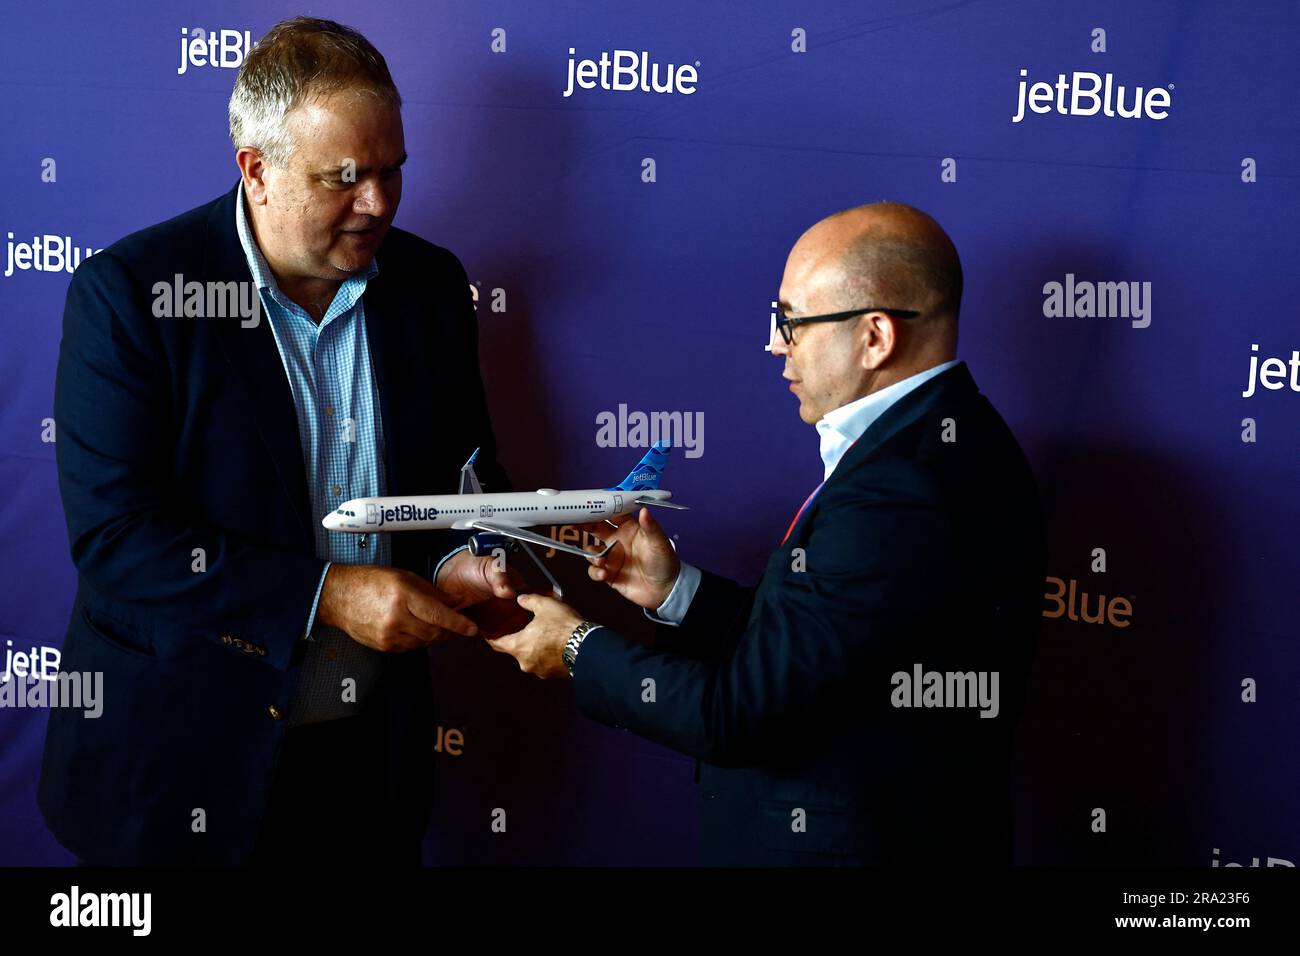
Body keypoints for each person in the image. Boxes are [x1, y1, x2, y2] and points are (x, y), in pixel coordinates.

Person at [41, 17, 517, 866]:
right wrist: (330, 594)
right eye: (345, 177)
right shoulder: (132, 293)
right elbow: (118, 541)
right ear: (256, 171)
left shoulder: (431, 285)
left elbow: (465, 479)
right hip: (181, 767)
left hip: (369, 771)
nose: (378, 203)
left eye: (392, 171)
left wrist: (470, 557)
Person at [489, 202, 1047, 865]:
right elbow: (812, 655)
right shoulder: (950, 437)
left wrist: (576, 647)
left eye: (792, 322)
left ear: (875, 337)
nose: (774, 344)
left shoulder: (899, 489)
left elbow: (739, 715)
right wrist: (675, 591)